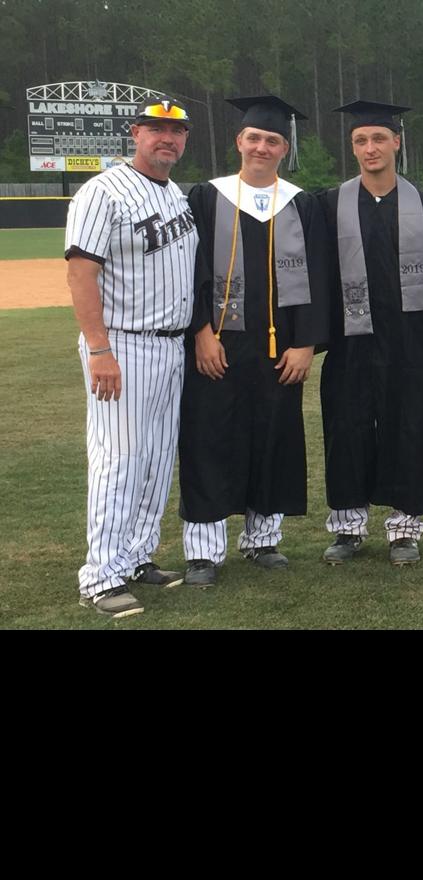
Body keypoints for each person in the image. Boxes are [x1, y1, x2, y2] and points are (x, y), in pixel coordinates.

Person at [179, 94, 335, 589]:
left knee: (273, 436)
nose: (262, 147)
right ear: (238, 142)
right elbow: (191, 272)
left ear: (284, 148)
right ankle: (204, 551)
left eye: (272, 140)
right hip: (219, 343)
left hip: (280, 347)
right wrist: (201, 332)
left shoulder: (301, 203)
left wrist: (306, 342)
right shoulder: (207, 197)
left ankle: (263, 539)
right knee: (209, 437)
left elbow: (319, 276)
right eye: (255, 138)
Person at [68, 96, 198, 617]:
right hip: (123, 342)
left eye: (176, 131)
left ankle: (137, 556)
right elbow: (81, 272)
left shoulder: (176, 196)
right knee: (118, 459)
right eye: (155, 129)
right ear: (135, 133)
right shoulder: (103, 191)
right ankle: (100, 575)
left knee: (156, 458)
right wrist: (99, 348)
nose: (166, 138)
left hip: (171, 345)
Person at [316, 99, 423, 567]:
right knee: (347, 429)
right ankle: (348, 527)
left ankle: (404, 529)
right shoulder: (329, 204)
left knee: (410, 427)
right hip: (351, 340)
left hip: (413, 341)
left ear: (396, 142)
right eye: (360, 141)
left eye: (378, 139)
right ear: (353, 147)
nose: (370, 148)